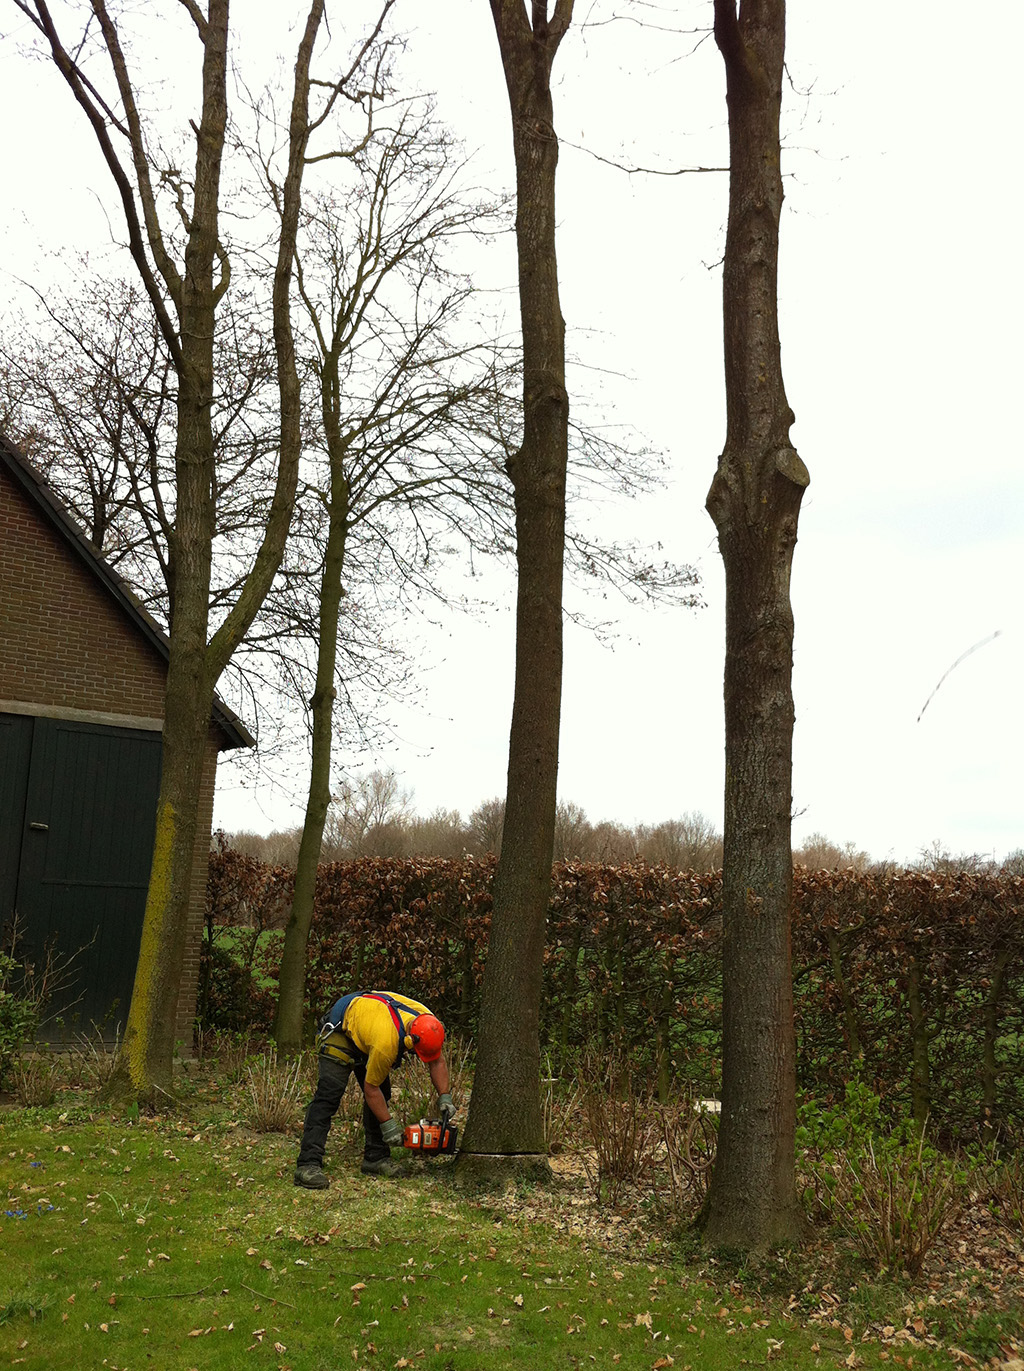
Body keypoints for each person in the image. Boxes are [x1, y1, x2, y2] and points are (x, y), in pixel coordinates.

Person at [294, 989, 454, 1188]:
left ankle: (375, 1157)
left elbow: (437, 1061)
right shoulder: (385, 1044)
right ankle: (307, 1164)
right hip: (342, 1027)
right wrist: (389, 1127)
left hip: (369, 1024)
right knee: (329, 1096)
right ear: (410, 1042)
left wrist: (444, 1097)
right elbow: (371, 1089)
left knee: (383, 1094)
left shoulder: (429, 1024)